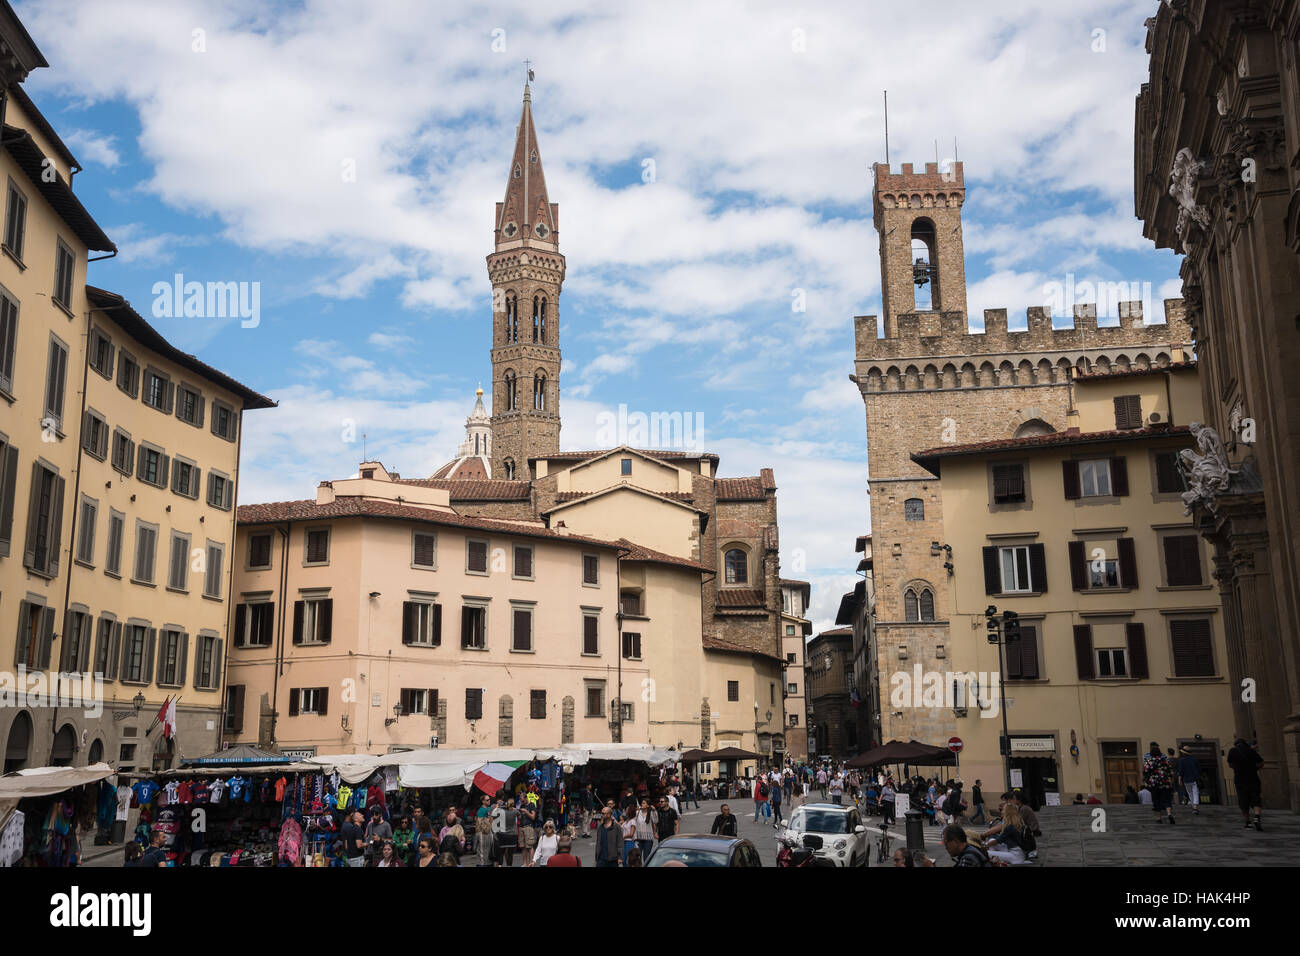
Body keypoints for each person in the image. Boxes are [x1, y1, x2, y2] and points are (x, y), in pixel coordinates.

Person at [1227, 738, 1264, 831]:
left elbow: (1230, 764)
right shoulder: (1251, 751)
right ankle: (1256, 817)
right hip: (1253, 779)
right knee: (1256, 800)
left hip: (1240, 780)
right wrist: (1255, 768)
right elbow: (1261, 762)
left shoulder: (1232, 751)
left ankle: (1248, 822)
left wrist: (1237, 768)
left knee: (1243, 802)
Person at [1142, 741, 1177, 825]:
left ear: (1151, 754)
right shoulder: (1165, 761)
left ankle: (1158, 818)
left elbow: (1145, 772)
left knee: (1156, 800)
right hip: (1165, 782)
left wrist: (1146, 781)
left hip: (1154, 784)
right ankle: (1169, 814)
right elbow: (1170, 772)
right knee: (1167, 799)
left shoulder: (1149, 761)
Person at [1177, 747, 1201, 814]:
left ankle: (1194, 807)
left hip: (1186, 779)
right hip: (1194, 779)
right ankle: (1195, 807)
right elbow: (1199, 769)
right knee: (1195, 793)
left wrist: (1179, 780)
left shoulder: (1182, 760)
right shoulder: (1194, 759)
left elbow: (1181, 771)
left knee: (1190, 793)